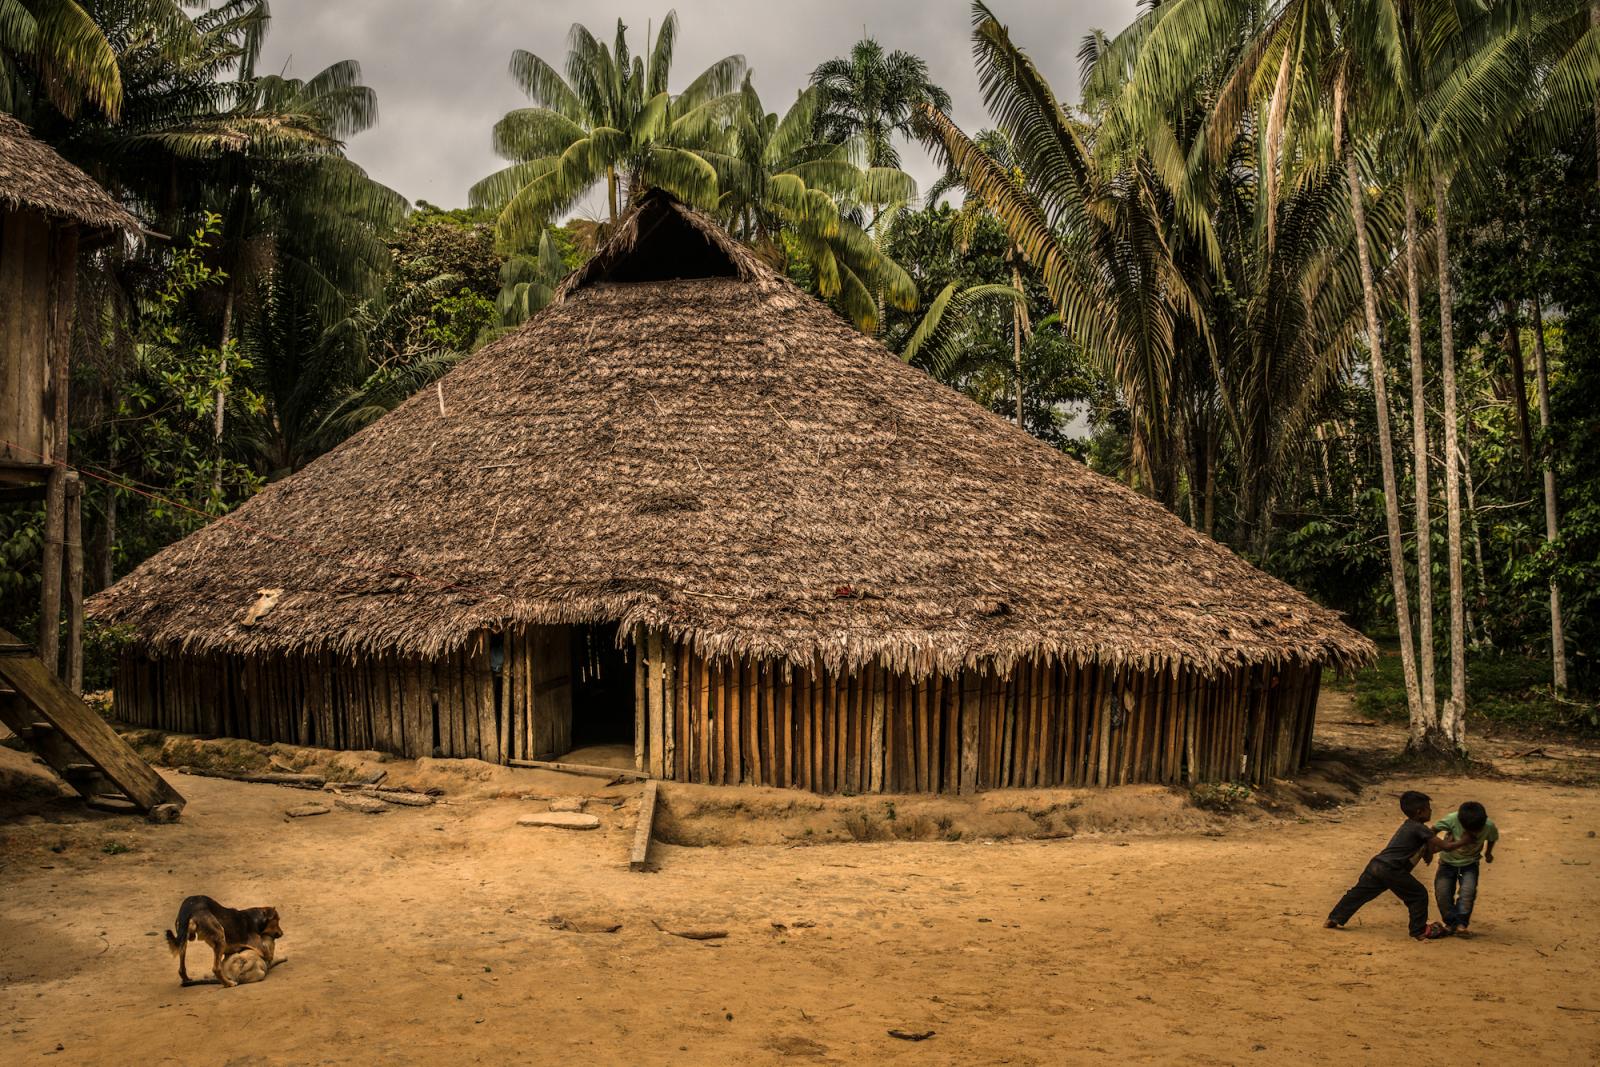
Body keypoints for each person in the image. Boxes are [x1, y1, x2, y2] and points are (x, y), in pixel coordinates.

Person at [1324, 790, 1473, 941]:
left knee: (1359, 894)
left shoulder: (1410, 826)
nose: (1431, 810)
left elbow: (1432, 848)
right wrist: (1464, 840)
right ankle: (1419, 930)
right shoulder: (1419, 827)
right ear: (1420, 812)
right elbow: (1444, 847)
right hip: (1392, 869)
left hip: (1377, 865)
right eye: (1428, 808)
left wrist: (1434, 849)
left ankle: (1334, 918)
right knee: (1418, 895)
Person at [1433, 801, 1498, 936]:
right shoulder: (1451, 819)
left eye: (1477, 830)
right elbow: (1432, 830)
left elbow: (1492, 838)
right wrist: (1432, 847)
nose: (1474, 833)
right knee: (1442, 893)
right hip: (1447, 863)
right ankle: (1451, 923)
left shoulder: (1489, 826)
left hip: (1470, 864)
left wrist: (1488, 853)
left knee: (1467, 893)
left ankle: (1461, 923)